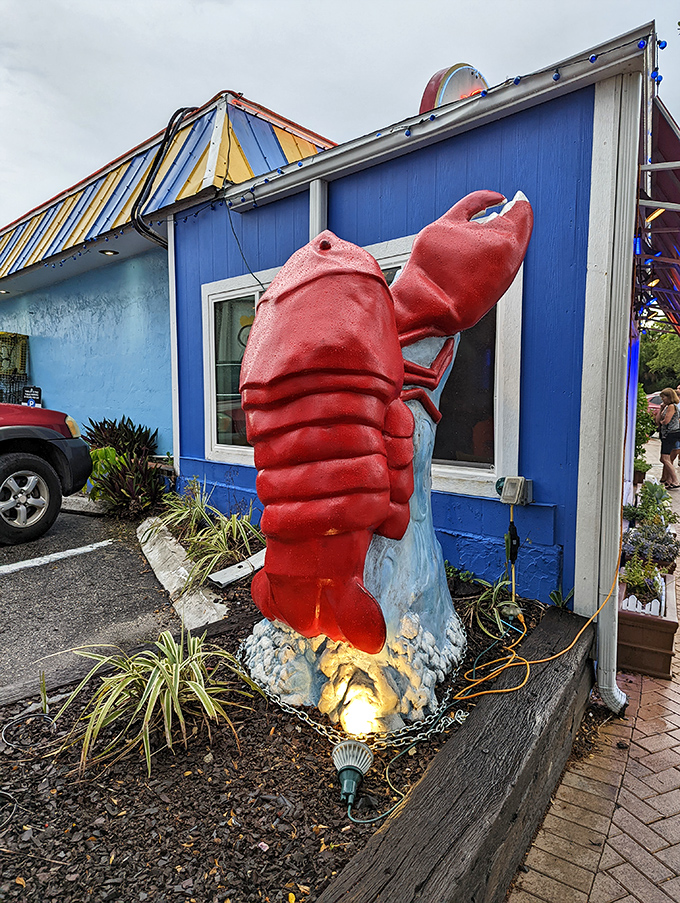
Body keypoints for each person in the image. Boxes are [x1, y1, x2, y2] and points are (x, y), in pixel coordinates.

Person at [655, 387, 680, 488]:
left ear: (669, 397)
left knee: (665, 458)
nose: (662, 399)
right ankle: (670, 480)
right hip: (666, 434)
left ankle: (675, 480)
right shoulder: (666, 407)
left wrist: (662, 422)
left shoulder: (672, 406)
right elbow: (658, 421)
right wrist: (661, 409)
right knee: (665, 458)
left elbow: (666, 421)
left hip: (671, 434)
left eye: (664, 397)